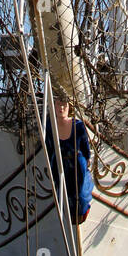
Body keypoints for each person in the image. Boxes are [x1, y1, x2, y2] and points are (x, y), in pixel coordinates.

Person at [45, 90, 93, 225]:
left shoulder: (78, 125)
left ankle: (81, 212)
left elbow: (85, 147)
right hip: (60, 164)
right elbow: (49, 148)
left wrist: (86, 158)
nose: (61, 108)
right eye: (58, 105)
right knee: (65, 193)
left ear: (69, 107)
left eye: (64, 105)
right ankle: (69, 213)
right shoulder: (49, 127)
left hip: (77, 164)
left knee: (81, 194)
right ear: (53, 106)